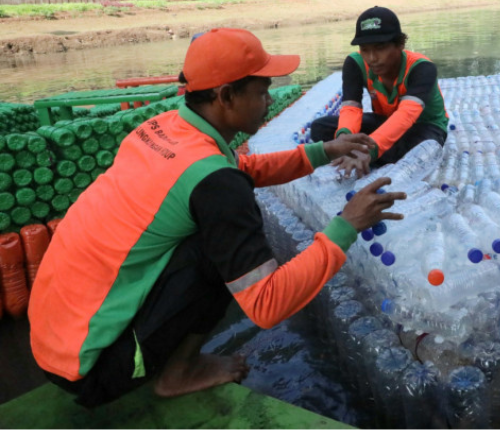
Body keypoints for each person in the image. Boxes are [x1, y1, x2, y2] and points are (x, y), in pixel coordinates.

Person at [28, 28, 405, 408]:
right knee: (221, 250)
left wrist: (324, 150)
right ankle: (176, 373)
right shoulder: (216, 185)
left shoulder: (163, 130)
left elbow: (244, 168)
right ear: (225, 96)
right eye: (260, 92)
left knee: (220, 236)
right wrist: (346, 225)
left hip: (53, 341)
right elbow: (268, 304)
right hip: (92, 368)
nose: (269, 100)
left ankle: (164, 357)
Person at [310, 6, 449, 177]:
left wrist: (370, 150)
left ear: (400, 44)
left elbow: (406, 115)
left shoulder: (421, 68)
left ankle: (367, 153)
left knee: (424, 146)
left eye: (380, 48)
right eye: (365, 49)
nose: (372, 58)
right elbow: (351, 107)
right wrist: (344, 139)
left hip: (423, 127)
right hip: (386, 121)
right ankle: (365, 151)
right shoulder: (355, 63)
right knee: (320, 128)